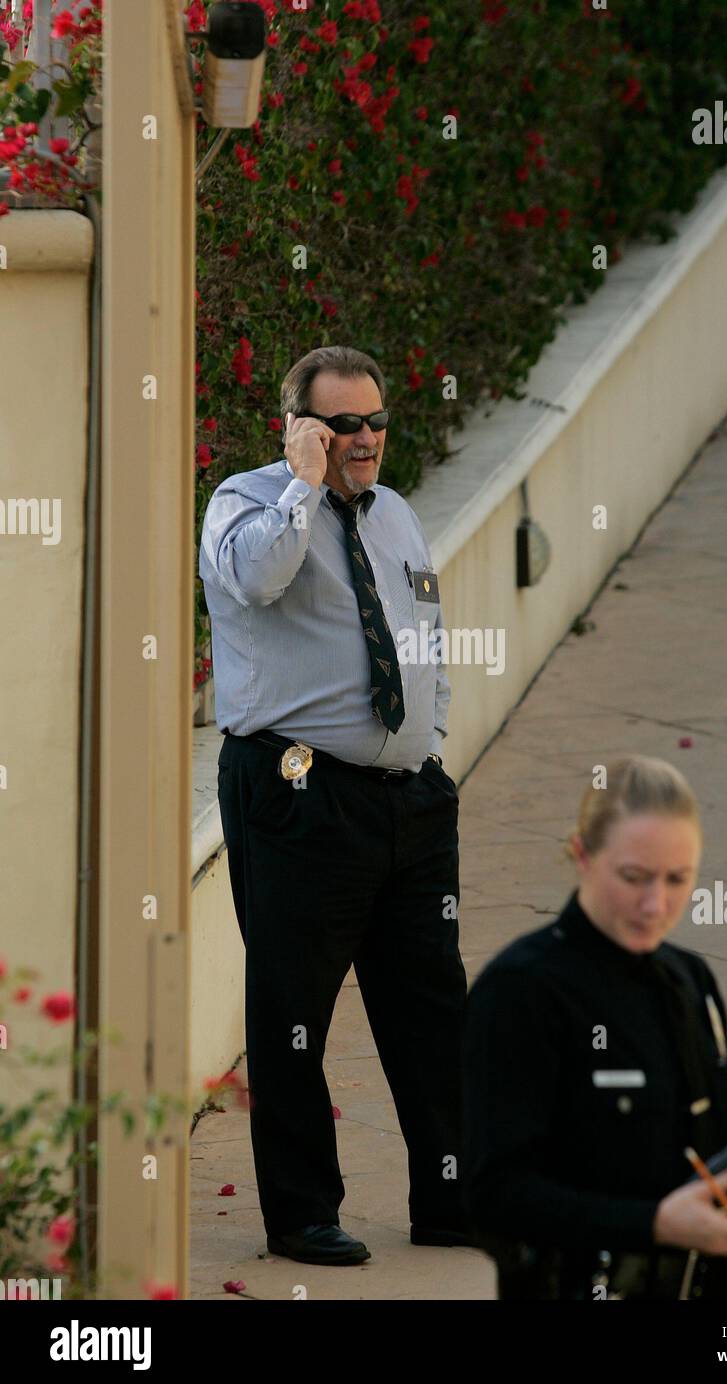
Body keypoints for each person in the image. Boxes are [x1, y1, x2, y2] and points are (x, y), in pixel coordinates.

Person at [199, 345, 469, 1266]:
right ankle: (303, 1212)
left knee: (432, 1008)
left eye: (376, 421)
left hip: (410, 803)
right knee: (293, 1011)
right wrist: (302, 485)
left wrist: (431, 745)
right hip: (298, 796)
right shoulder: (247, 503)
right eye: (341, 424)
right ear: (301, 427)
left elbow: (422, 629)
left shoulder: (396, 515)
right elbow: (256, 580)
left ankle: (449, 1196)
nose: (365, 440)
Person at [461, 755, 727, 1299]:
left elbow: (719, 1158)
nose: (655, 904)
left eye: (677, 879)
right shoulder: (520, 991)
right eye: (634, 877)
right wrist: (653, 1225)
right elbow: (493, 1198)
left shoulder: (690, 979)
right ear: (581, 856)